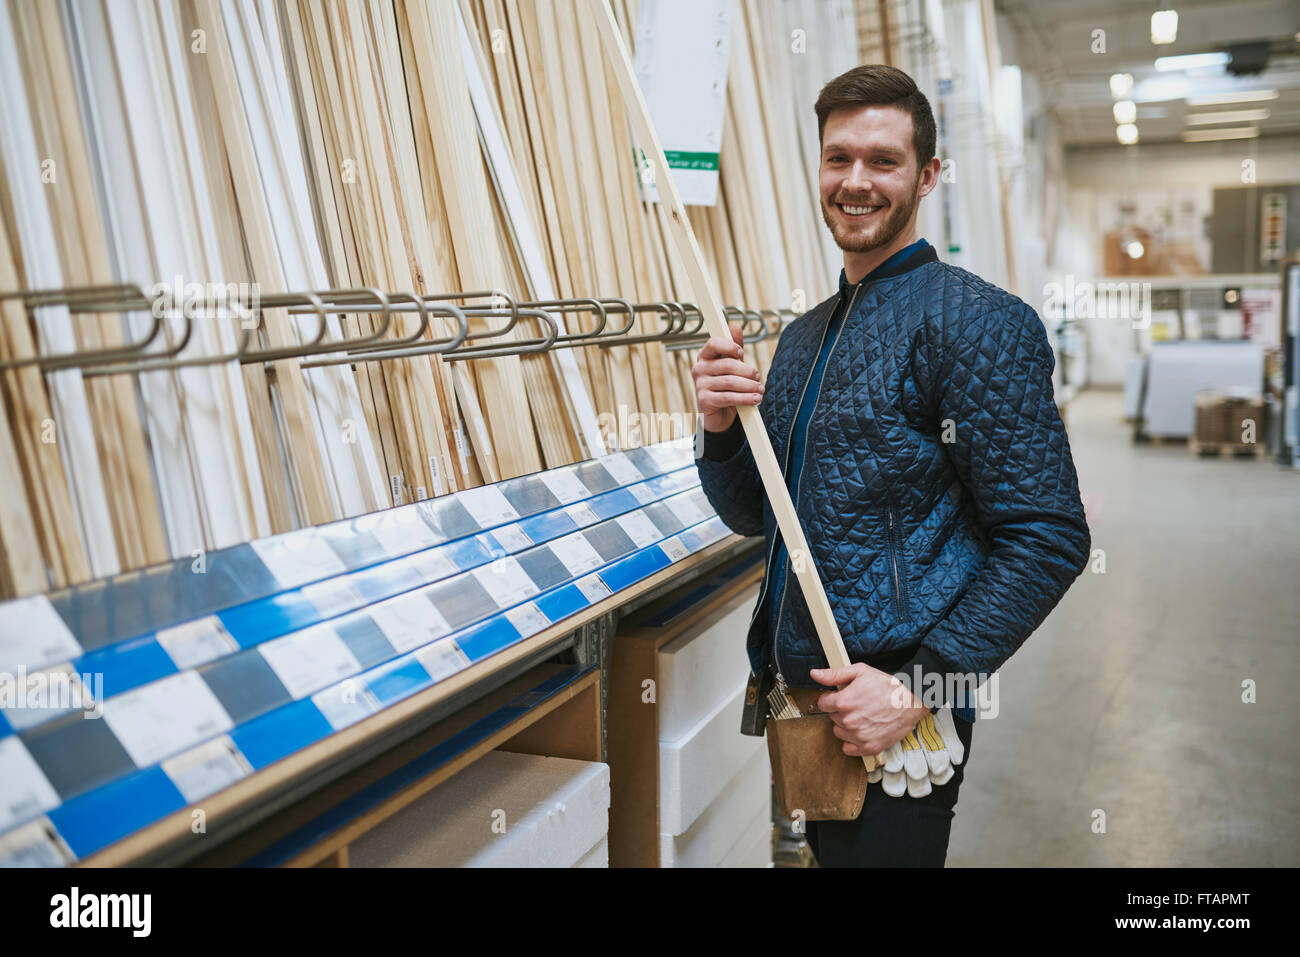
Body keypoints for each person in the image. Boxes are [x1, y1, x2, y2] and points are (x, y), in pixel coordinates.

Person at [692, 64, 1091, 867]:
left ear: (929, 174)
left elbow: (1049, 535)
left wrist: (919, 687)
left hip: (903, 707)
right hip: (808, 698)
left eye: (883, 160)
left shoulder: (977, 322)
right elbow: (753, 514)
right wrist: (722, 427)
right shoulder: (805, 337)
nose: (856, 181)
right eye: (838, 158)